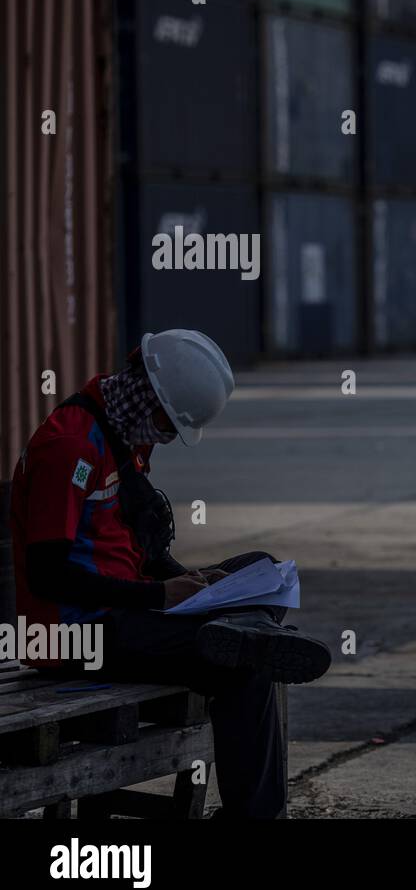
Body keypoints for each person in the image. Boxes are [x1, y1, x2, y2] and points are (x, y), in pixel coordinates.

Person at [8, 328, 331, 818]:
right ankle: (258, 812)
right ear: (146, 393)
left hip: (127, 613)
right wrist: (161, 595)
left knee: (261, 567)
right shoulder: (70, 446)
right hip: (75, 636)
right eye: (164, 422)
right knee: (245, 666)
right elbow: (48, 575)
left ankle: (242, 627)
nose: (164, 436)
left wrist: (192, 584)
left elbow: (139, 549)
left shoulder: (124, 431)